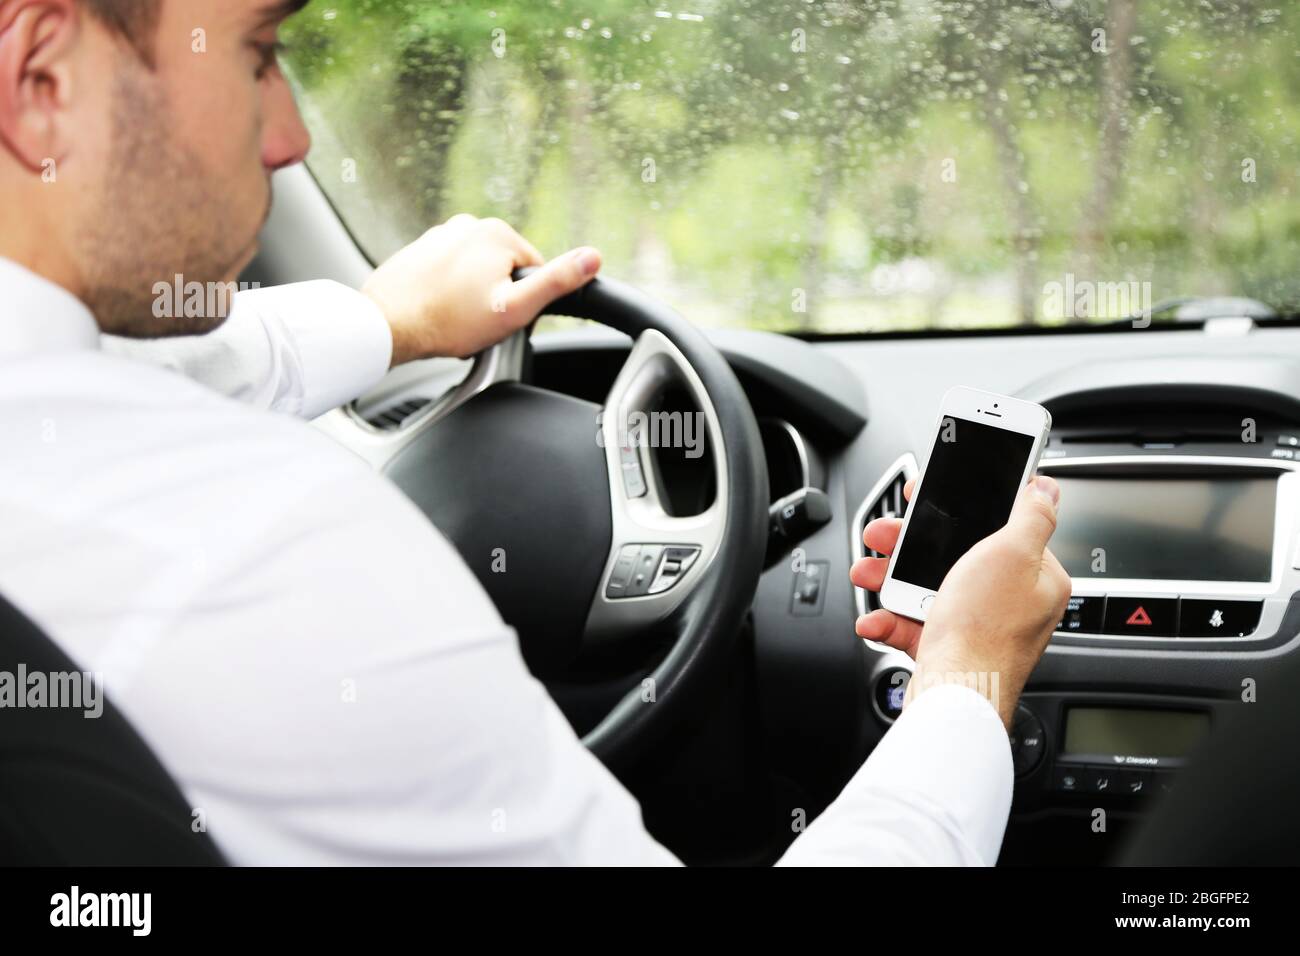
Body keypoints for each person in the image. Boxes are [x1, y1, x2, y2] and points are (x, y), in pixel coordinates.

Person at [0, 0, 1072, 865]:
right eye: (258, 54)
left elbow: (169, 362)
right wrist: (967, 683)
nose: (289, 136)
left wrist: (393, 321)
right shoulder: (263, 552)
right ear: (41, 80)